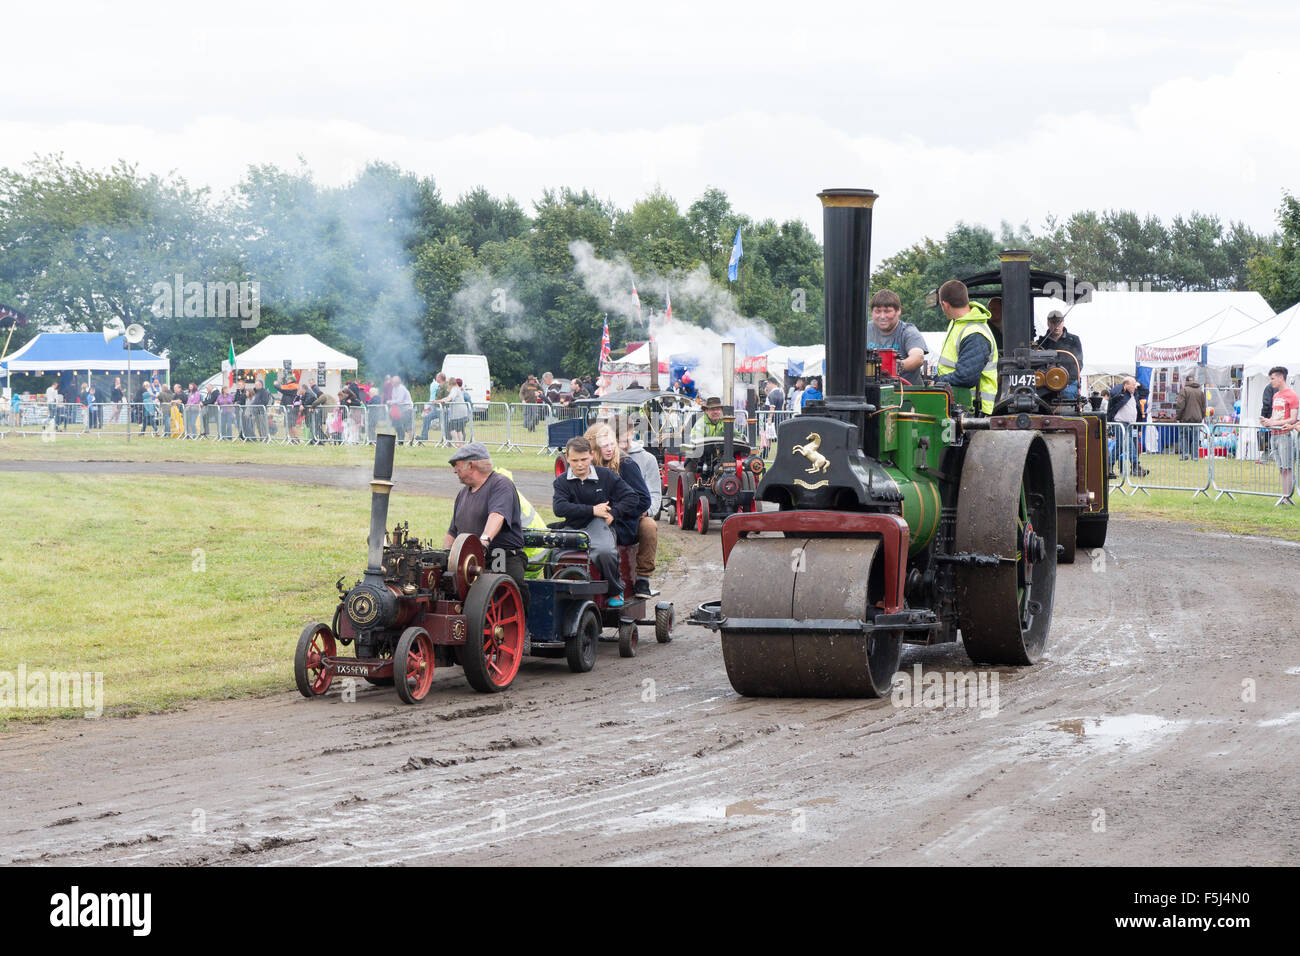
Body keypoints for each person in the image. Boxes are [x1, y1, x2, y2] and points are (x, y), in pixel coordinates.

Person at [552, 436, 640, 607]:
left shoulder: (606, 476)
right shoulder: (561, 482)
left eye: (584, 459)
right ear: (567, 458)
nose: (579, 464)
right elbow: (559, 508)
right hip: (572, 527)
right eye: (575, 460)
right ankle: (557, 594)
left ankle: (616, 589)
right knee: (553, 555)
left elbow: (632, 497)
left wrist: (614, 513)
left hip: (600, 526)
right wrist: (593, 510)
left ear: (592, 455)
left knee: (605, 552)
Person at [444, 442, 529, 611]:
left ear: (471, 465)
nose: (454, 470)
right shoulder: (462, 494)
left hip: (501, 557)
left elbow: (497, 515)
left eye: (457, 465)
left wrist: (483, 542)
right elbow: (453, 531)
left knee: (512, 590)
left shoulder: (500, 484)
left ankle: (523, 632)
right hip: (469, 561)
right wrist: (446, 555)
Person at [585, 422, 654, 598]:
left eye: (611, 445)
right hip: (595, 519)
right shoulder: (584, 467)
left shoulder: (627, 465)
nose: (609, 449)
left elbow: (643, 499)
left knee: (648, 525)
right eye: (604, 446)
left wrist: (615, 513)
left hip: (625, 521)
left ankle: (639, 579)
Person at [935, 279, 998, 413]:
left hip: (973, 410)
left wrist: (937, 381)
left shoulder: (975, 333)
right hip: (956, 403)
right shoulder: (957, 324)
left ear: (945, 304)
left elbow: (966, 377)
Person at [619, 424, 662, 599]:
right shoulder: (604, 457)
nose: (625, 442)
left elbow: (654, 494)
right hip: (615, 513)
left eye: (627, 436)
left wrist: (646, 511)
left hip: (639, 513)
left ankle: (643, 578)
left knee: (649, 527)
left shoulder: (647, 459)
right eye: (620, 438)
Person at [866, 289, 928, 387]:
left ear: (898, 311)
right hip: (871, 390)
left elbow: (918, 357)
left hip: (906, 393)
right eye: (878, 311)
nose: (882, 316)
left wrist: (895, 366)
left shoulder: (908, 331)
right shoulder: (864, 330)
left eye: (887, 311)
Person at [1260, 366, 1297, 501]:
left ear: (1281, 378)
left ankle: (1287, 497)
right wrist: (1268, 421)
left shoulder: (1292, 395)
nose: (1271, 382)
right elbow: (1276, 416)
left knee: (1287, 467)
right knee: (1281, 467)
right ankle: (1285, 495)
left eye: (1273, 378)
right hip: (1274, 434)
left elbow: (1293, 418)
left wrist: (1274, 423)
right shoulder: (1275, 395)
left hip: (1284, 434)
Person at [1035, 310, 1084, 401]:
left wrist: (1066, 381)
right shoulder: (1041, 343)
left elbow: (1078, 364)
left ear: (1063, 322)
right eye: (1053, 323)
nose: (1056, 326)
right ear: (1048, 323)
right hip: (1046, 383)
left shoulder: (1074, 340)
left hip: (1069, 382)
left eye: (1059, 322)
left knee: (1067, 394)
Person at [1107, 376, 1148, 477]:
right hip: (1120, 423)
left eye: (1135, 385)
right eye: (1132, 385)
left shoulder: (1135, 394)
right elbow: (1112, 394)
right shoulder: (1120, 393)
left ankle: (1108, 466)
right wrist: (1123, 387)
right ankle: (1135, 467)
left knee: (1120, 446)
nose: (1135, 387)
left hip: (1131, 424)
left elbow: (1146, 392)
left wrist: (1139, 384)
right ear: (1126, 385)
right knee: (1128, 442)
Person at [1174, 374, 1207, 460]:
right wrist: (1202, 416)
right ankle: (1195, 457)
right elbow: (1204, 407)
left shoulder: (1184, 390)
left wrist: (1178, 417)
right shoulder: (1200, 392)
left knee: (1184, 436)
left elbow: (1180, 405)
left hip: (1185, 419)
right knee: (1195, 438)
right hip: (1197, 419)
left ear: (1186, 381)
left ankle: (1185, 455)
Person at [389, 375, 414, 444]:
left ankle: (410, 441)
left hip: (407, 409)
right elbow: (395, 400)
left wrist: (390, 402)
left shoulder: (401, 388)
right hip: (400, 411)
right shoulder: (394, 389)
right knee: (398, 426)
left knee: (407, 427)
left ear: (396, 382)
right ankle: (401, 441)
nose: (391, 383)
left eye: (392, 382)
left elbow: (399, 400)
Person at [443, 376, 469, 444]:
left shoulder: (454, 389)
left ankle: (457, 443)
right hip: (462, 413)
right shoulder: (457, 389)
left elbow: (451, 398)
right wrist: (438, 401)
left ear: (450, 384)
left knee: (451, 429)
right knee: (459, 430)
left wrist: (445, 401)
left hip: (457, 414)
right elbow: (448, 397)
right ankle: (461, 443)